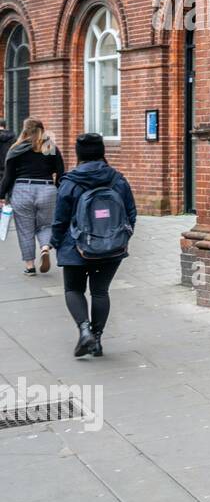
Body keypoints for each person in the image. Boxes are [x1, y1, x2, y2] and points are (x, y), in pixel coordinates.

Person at [49, 133, 136, 358]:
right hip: (111, 246)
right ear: (102, 152)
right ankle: (96, 339)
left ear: (78, 153)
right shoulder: (117, 179)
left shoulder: (70, 182)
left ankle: (84, 330)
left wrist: (56, 242)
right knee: (100, 291)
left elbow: (60, 218)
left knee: (73, 289)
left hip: (75, 245)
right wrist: (120, 238)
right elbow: (130, 213)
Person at [0, 118, 65, 276]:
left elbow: (8, 176)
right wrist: (55, 189)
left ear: (25, 130)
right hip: (47, 189)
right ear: (42, 130)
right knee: (46, 225)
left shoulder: (17, 148)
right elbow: (61, 172)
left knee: (25, 230)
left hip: (22, 190)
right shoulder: (48, 146)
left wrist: (1, 195)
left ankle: (30, 266)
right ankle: (44, 248)